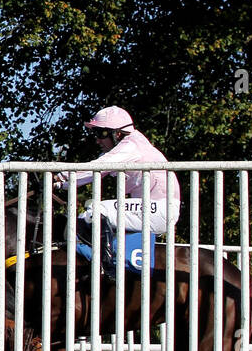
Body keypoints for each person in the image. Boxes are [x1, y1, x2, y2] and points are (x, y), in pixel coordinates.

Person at [57, 106, 180, 279]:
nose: (98, 140)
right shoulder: (126, 146)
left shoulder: (131, 146)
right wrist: (60, 183)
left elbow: (96, 168)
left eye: (101, 134)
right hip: (152, 208)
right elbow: (91, 173)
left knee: (97, 211)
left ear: (118, 133)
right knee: (84, 218)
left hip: (159, 209)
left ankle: (107, 268)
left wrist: (59, 177)